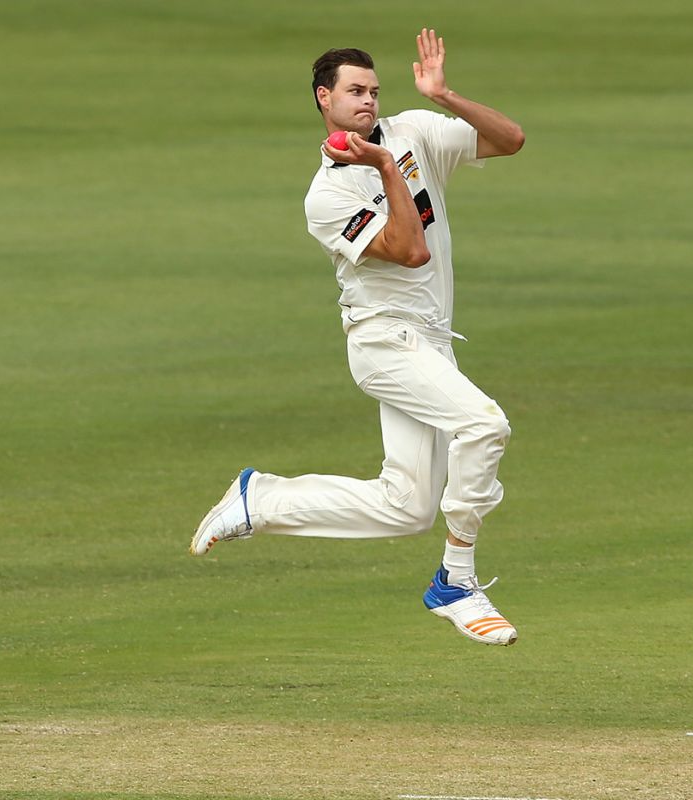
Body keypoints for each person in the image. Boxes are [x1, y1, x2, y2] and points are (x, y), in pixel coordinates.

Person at [190, 29, 525, 646]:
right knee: (485, 425)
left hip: (432, 340)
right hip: (384, 343)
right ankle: (456, 579)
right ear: (325, 99)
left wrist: (445, 94)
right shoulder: (328, 194)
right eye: (354, 91)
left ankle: (259, 501)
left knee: (406, 508)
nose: (369, 101)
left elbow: (510, 140)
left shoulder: (414, 132)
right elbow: (410, 250)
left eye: (374, 90)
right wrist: (379, 167)